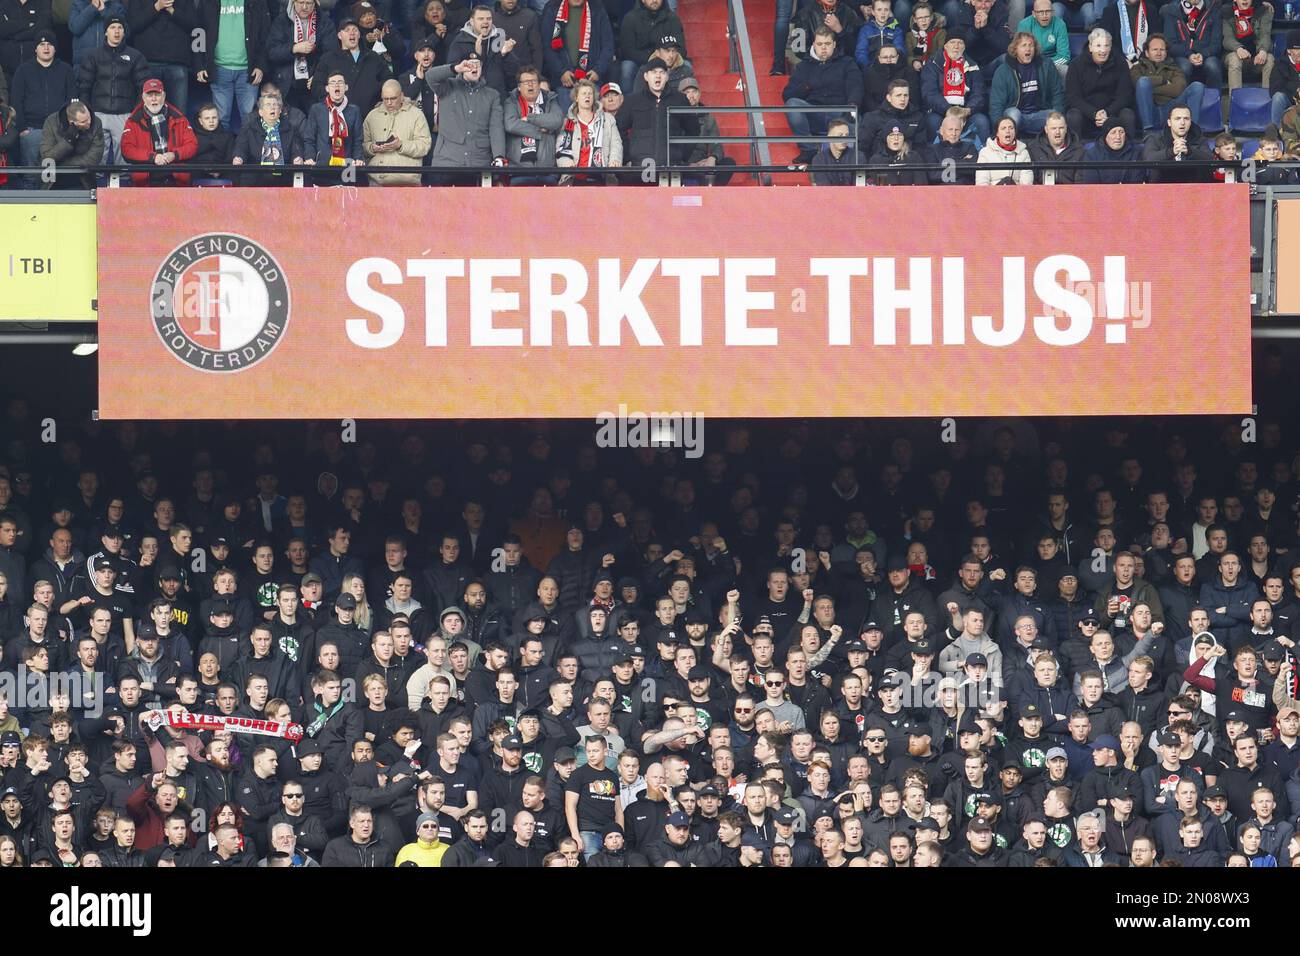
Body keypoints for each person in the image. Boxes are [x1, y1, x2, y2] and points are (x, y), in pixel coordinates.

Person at [784, 26, 866, 164]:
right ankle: (808, 150)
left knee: (856, 120)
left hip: (840, 113)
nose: (823, 48)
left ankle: (849, 159)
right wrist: (807, 86)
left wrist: (852, 106)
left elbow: (856, 87)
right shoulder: (804, 66)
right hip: (814, 112)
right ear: (814, 45)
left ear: (834, 45)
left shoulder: (847, 62)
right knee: (792, 105)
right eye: (820, 44)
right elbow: (787, 95)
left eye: (827, 44)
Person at [77, 15, 148, 163]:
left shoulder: (135, 56)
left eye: (120, 28)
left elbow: (144, 87)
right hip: (98, 114)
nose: (116, 31)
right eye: (112, 28)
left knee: (124, 162)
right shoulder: (93, 55)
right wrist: (88, 113)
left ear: (124, 32)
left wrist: (134, 113)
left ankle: (123, 186)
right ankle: (94, 186)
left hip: (124, 115)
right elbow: (84, 86)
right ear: (106, 32)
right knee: (96, 161)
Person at [11, 32, 76, 188]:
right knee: (30, 176)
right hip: (32, 130)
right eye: (41, 45)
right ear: (35, 49)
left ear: (55, 49)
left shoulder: (66, 70)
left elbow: (73, 99)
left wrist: (67, 127)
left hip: (59, 130)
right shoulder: (23, 70)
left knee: (58, 177)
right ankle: (29, 211)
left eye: (50, 44)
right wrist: (22, 128)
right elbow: (16, 101)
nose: (46, 48)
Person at [424, 53, 505, 177]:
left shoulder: (492, 95)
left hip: (479, 164)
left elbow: (496, 129)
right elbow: (430, 76)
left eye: (478, 64)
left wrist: (499, 156)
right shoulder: (447, 87)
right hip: (447, 163)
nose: (474, 67)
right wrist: (455, 68)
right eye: (469, 64)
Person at [197, 0, 270, 132]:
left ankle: (247, 153)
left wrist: (260, 65)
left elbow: (265, 35)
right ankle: (221, 153)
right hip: (219, 68)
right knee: (220, 119)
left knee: (250, 119)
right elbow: (198, 31)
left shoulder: (258, 2)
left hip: (249, 70)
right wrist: (200, 64)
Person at [617, 55, 698, 173]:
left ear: (667, 76)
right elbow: (619, 129)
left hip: (672, 167)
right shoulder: (632, 101)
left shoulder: (680, 100)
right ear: (646, 76)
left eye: (662, 72)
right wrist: (628, 157)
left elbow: (693, 130)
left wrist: (682, 156)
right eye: (654, 72)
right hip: (640, 168)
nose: (658, 75)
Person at [119, 77, 198, 185]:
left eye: (157, 94)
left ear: (164, 96)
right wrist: (152, 157)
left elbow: (192, 145)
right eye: (149, 95)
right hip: (146, 180)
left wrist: (174, 155)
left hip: (175, 178)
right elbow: (127, 149)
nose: (153, 99)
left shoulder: (179, 118)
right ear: (143, 97)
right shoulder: (133, 121)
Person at [539, 0, 614, 108]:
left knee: (591, 122)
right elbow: (546, 46)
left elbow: (608, 45)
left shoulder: (597, 8)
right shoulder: (552, 8)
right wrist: (561, 72)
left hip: (590, 80)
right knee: (567, 122)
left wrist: (598, 71)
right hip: (563, 82)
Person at [311, 17, 391, 118]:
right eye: (347, 30)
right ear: (339, 35)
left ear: (359, 35)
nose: (352, 33)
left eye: (355, 30)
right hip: (339, 118)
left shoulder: (373, 57)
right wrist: (332, 104)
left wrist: (381, 101)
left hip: (371, 117)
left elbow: (388, 81)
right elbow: (317, 86)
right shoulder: (328, 59)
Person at [268, 0, 339, 114]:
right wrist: (294, 48)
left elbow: (331, 54)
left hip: (313, 83)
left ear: (315, 3)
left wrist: (319, 75)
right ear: (293, 2)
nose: (305, 7)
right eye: (301, 2)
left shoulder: (324, 22)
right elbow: (272, 52)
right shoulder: (281, 21)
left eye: (309, 3)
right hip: (288, 84)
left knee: (315, 122)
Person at [1065, 27, 1136, 139]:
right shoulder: (1076, 65)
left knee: (1127, 114)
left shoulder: (1120, 63)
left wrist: (1107, 113)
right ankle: (1075, 150)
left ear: (1111, 47)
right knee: (1073, 115)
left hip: (1113, 114)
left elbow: (1124, 95)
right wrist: (1094, 113)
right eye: (1098, 46)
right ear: (1090, 47)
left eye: (1106, 46)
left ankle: (1129, 151)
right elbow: (1073, 98)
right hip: (1087, 115)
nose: (1102, 50)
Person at [990, 31, 1065, 134]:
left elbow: (1057, 92)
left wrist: (1058, 116)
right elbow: (996, 104)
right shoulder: (1003, 71)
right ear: (1015, 49)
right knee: (1013, 114)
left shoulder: (1046, 65)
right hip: (1015, 116)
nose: (1028, 49)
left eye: (1031, 45)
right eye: (1023, 45)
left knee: (1054, 115)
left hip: (1038, 114)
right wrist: (998, 129)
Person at [920, 29, 989, 140]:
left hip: (965, 111)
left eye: (960, 43)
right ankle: (933, 154)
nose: (956, 46)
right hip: (940, 111)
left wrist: (968, 110)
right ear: (945, 46)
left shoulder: (972, 66)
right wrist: (947, 110)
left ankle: (982, 155)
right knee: (932, 121)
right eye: (952, 42)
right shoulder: (933, 64)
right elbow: (929, 93)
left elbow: (979, 93)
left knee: (981, 121)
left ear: (964, 47)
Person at [362, 77, 432, 184]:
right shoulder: (372, 116)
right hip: (376, 182)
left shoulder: (416, 115)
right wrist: (372, 148)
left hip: (408, 183)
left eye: (393, 98)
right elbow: (361, 146)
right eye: (385, 99)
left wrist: (400, 145)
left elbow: (424, 146)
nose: (389, 102)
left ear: (402, 96)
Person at [1131, 34, 1205, 133]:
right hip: (1149, 112)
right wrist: (1164, 81)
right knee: (1143, 82)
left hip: (1171, 111)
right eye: (1154, 50)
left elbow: (1178, 89)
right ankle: (1148, 132)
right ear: (1147, 53)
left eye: (1162, 50)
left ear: (1166, 52)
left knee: (1197, 86)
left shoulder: (1175, 68)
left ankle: (1192, 132)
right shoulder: (1137, 68)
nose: (1158, 53)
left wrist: (1150, 90)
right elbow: (1137, 83)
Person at [555, 76, 621, 180]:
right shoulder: (568, 122)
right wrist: (566, 163)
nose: (588, 96)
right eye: (584, 94)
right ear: (576, 97)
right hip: (574, 177)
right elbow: (561, 149)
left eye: (590, 94)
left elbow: (616, 144)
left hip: (602, 176)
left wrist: (614, 161)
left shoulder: (608, 119)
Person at [504, 63, 563, 180]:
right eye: (526, 82)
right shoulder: (511, 101)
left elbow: (557, 120)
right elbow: (510, 124)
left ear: (539, 84)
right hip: (518, 170)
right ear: (519, 87)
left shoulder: (549, 99)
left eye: (534, 81)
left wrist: (530, 119)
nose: (530, 84)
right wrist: (539, 131)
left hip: (547, 170)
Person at [677, 75, 735, 185]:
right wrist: (688, 165)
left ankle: (712, 193)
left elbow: (717, 145)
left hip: (703, 164)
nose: (691, 96)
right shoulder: (674, 116)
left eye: (694, 92)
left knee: (729, 163)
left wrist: (712, 158)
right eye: (686, 93)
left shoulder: (708, 117)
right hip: (682, 164)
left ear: (699, 94)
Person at [303, 71, 365, 171]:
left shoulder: (354, 110)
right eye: (332, 83)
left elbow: (358, 140)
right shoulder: (316, 109)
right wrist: (310, 158)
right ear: (327, 88)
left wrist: (358, 158)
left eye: (340, 82)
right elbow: (309, 138)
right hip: (322, 165)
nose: (336, 85)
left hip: (348, 166)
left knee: (347, 186)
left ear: (346, 87)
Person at [39, 100, 105, 189]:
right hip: (53, 182)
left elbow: (94, 158)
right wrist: (68, 140)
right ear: (71, 122)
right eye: (83, 122)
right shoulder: (51, 122)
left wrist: (61, 165)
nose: (89, 123)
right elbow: (47, 157)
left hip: (84, 181)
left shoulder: (96, 122)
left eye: (88, 117)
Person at [1161, 0, 1223, 90]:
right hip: (1182, 55)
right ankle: (1183, 102)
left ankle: (1214, 102)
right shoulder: (1171, 11)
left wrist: (1203, 54)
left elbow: (1216, 43)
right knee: (1184, 67)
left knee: (1213, 66)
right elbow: (1170, 44)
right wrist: (1189, 54)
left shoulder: (1213, 10)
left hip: (1206, 54)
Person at [1141, 102, 1210, 182]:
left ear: (1190, 122)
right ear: (1169, 122)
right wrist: (1172, 151)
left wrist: (1190, 152)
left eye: (1186, 119)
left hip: (1193, 189)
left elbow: (1210, 160)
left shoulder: (1200, 139)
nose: (1182, 123)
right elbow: (1148, 160)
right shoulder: (1155, 139)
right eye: (1177, 119)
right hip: (1162, 189)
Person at [1223, 0, 1273, 90]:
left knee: (1269, 59)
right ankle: (1235, 101)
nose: (1245, 0)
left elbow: (1265, 34)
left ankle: (1267, 101)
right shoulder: (1227, 13)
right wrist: (1238, 48)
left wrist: (1263, 50)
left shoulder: (1262, 11)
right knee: (1234, 60)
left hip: (1256, 58)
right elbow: (1227, 38)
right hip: (1235, 56)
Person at [1016, 0, 1069, 78]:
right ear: (1034, 14)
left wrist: (1046, 65)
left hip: (1053, 63)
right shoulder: (1024, 25)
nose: (1045, 15)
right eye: (1041, 12)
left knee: (1065, 70)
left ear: (1053, 12)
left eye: (1048, 11)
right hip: (1031, 62)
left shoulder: (1060, 24)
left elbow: (1064, 56)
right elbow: (1020, 53)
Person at [1026, 108, 1083, 179]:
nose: (1057, 132)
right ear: (1046, 130)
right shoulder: (1033, 149)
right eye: (1053, 128)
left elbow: (1080, 183)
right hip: (1041, 189)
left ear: (1066, 129)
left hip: (1069, 189)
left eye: (1061, 128)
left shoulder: (1079, 151)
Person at [975, 111, 1032, 181]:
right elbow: (982, 183)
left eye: (1011, 128)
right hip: (993, 191)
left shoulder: (1024, 153)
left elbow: (1026, 184)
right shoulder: (985, 152)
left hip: (1016, 191)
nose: (1008, 131)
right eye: (1003, 128)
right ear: (997, 133)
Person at [811, 115, 858, 182]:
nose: (845, 139)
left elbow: (858, 187)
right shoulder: (819, 159)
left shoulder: (857, 156)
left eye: (846, 135)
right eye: (840, 135)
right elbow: (823, 187)